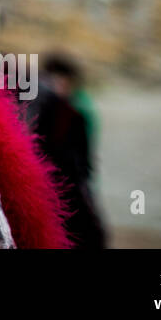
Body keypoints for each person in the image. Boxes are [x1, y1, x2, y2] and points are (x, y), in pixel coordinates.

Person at [29, 54, 107, 248]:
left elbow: (81, 156)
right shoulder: (62, 106)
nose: (53, 84)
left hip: (69, 178)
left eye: (57, 79)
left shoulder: (77, 109)